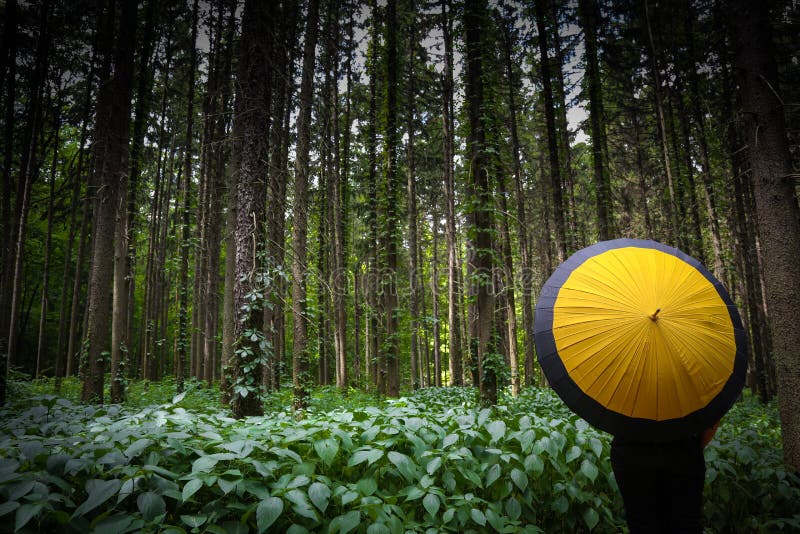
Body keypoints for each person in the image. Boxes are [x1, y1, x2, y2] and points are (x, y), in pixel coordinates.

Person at [610, 422, 719, 534]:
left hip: (630, 451)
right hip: (682, 449)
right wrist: (693, 450)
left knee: (642, 523)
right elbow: (714, 416)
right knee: (685, 524)